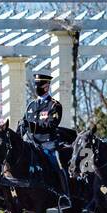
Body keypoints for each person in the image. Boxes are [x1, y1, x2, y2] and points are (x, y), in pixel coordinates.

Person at [22, 71, 69, 204]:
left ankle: (64, 195)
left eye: (40, 85)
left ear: (47, 86)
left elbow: (51, 124)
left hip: (47, 143)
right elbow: (24, 125)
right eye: (36, 84)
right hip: (31, 143)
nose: (37, 87)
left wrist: (32, 125)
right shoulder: (31, 105)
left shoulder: (54, 105)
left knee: (57, 165)